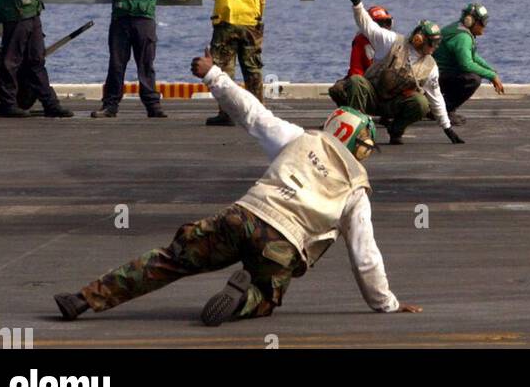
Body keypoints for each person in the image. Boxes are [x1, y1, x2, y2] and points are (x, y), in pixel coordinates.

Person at [53, 47, 422, 325]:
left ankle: (84, 298)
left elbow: (251, 112)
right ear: (361, 146)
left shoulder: (299, 138)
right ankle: (245, 297)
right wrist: (386, 303)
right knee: (266, 297)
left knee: (169, 260)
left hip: (243, 215)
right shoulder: (356, 190)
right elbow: (365, 255)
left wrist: (214, 73)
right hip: (282, 245)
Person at [340, 0, 462, 146]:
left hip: (393, 104)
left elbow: (436, 97)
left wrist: (447, 128)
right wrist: (357, 4)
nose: (435, 48)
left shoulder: (430, 67)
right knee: (356, 81)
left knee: (421, 103)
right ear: (419, 39)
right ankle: (356, 130)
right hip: (372, 97)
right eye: (433, 43)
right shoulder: (391, 41)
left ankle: (396, 131)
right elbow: (368, 26)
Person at [91, 0, 166, 119]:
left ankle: (152, 106)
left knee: (146, 64)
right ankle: (110, 105)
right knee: (116, 65)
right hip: (121, 20)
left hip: (144, 19)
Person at [434, 2, 504, 126]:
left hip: (438, 74)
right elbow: (466, 64)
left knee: (471, 74)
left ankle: (438, 109)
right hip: (437, 76)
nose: (484, 26)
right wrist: (491, 75)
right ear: (470, 21)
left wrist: (490, 70)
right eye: (482, 23)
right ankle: (445, 111)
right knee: (472, 79)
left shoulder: (458, 29)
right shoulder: (463, 37)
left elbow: (472, 56)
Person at [327, 3, 392, 106]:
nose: (383, 27)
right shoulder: (360, 41)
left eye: (387, 22)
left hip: (386, 85)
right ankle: (353, 112)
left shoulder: (394, 41)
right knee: (337, 89)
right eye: (379, 23)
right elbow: (355, 70)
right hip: (365, 81)